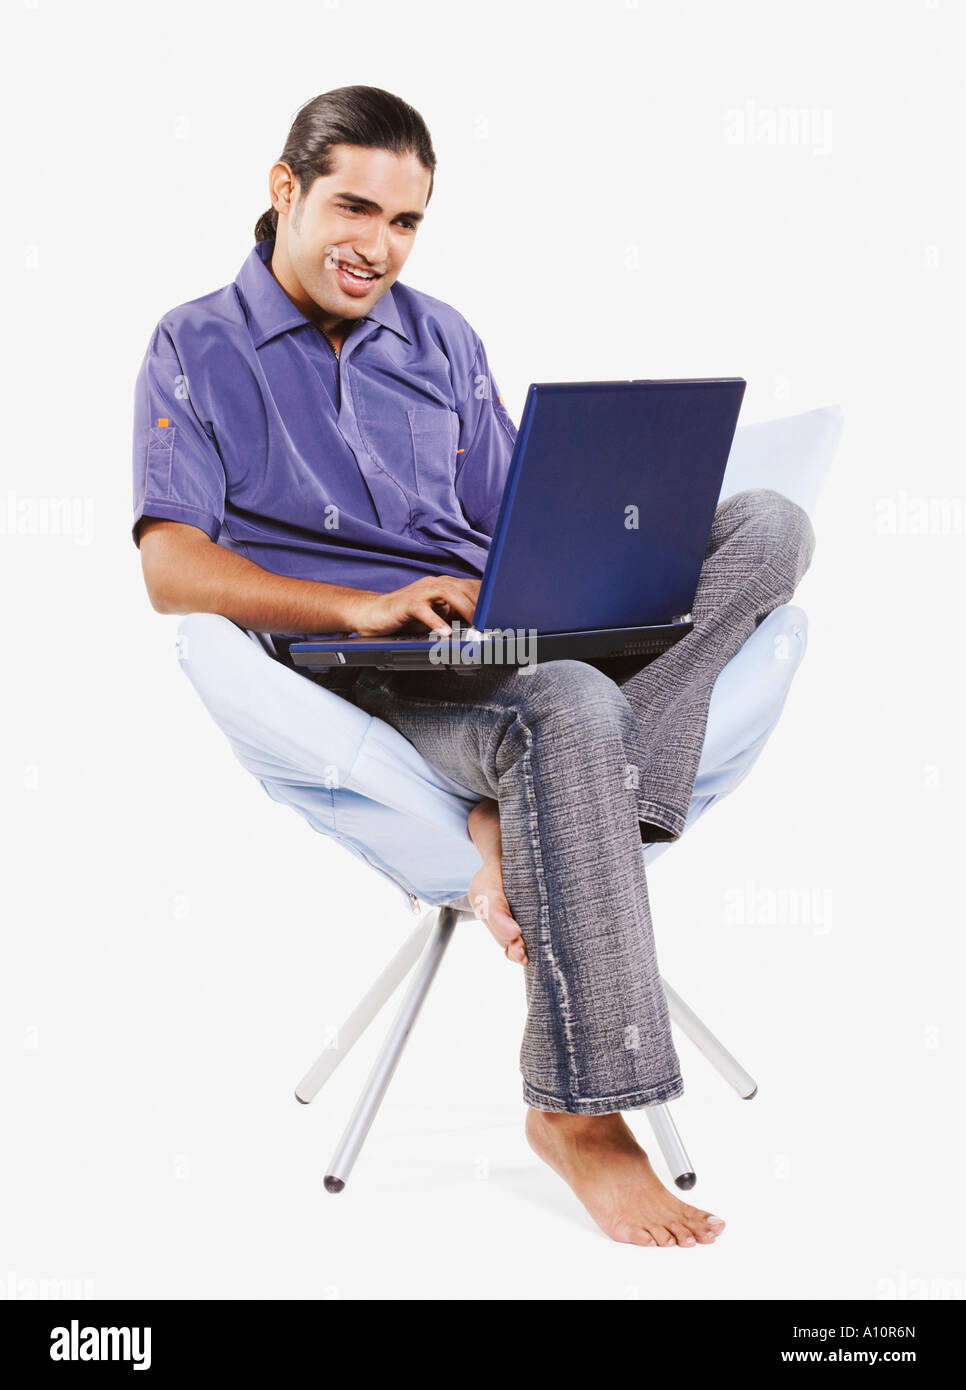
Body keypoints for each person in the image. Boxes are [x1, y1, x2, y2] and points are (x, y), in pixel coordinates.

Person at [132, 85, 815, 1248]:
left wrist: (598, 558)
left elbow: (508, 517)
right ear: (283, 187)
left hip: (492, 635)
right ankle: (579, 1115)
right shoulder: (195, 343)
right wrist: (368, 601)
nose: (378, 246)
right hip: (367, 667)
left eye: (405, 223)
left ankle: (568, 805)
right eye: (356, 208)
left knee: (771, 525)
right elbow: (173, 566)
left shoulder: (440, 335)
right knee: (570, 702)